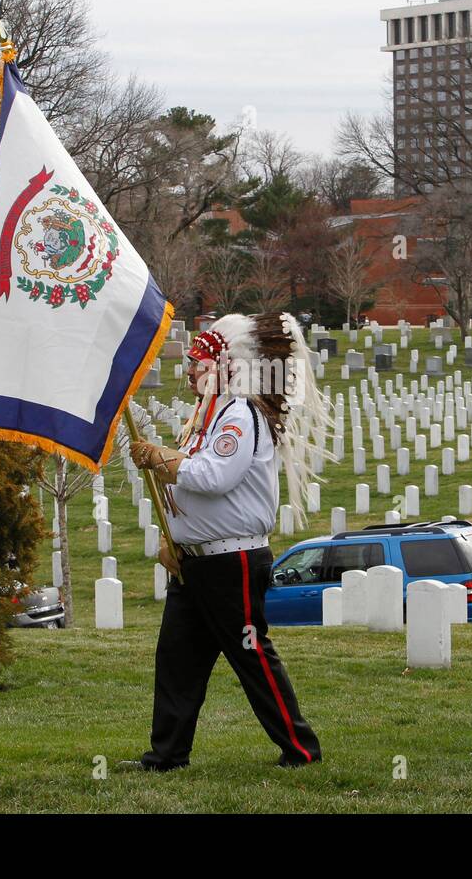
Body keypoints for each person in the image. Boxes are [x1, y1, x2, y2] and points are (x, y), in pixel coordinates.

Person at [124, 312, 329, 771]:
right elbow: (188, 484)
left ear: (226, 366)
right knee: (177, 659)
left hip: (231, 560)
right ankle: (167, 754)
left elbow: (213, 477)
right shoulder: (208, 416)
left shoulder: (240, 414)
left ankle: (301, 749)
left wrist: (160, 457)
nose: (191, 371)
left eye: (200, 363)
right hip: (195, 561)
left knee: (250, 653)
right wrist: (169, 536)